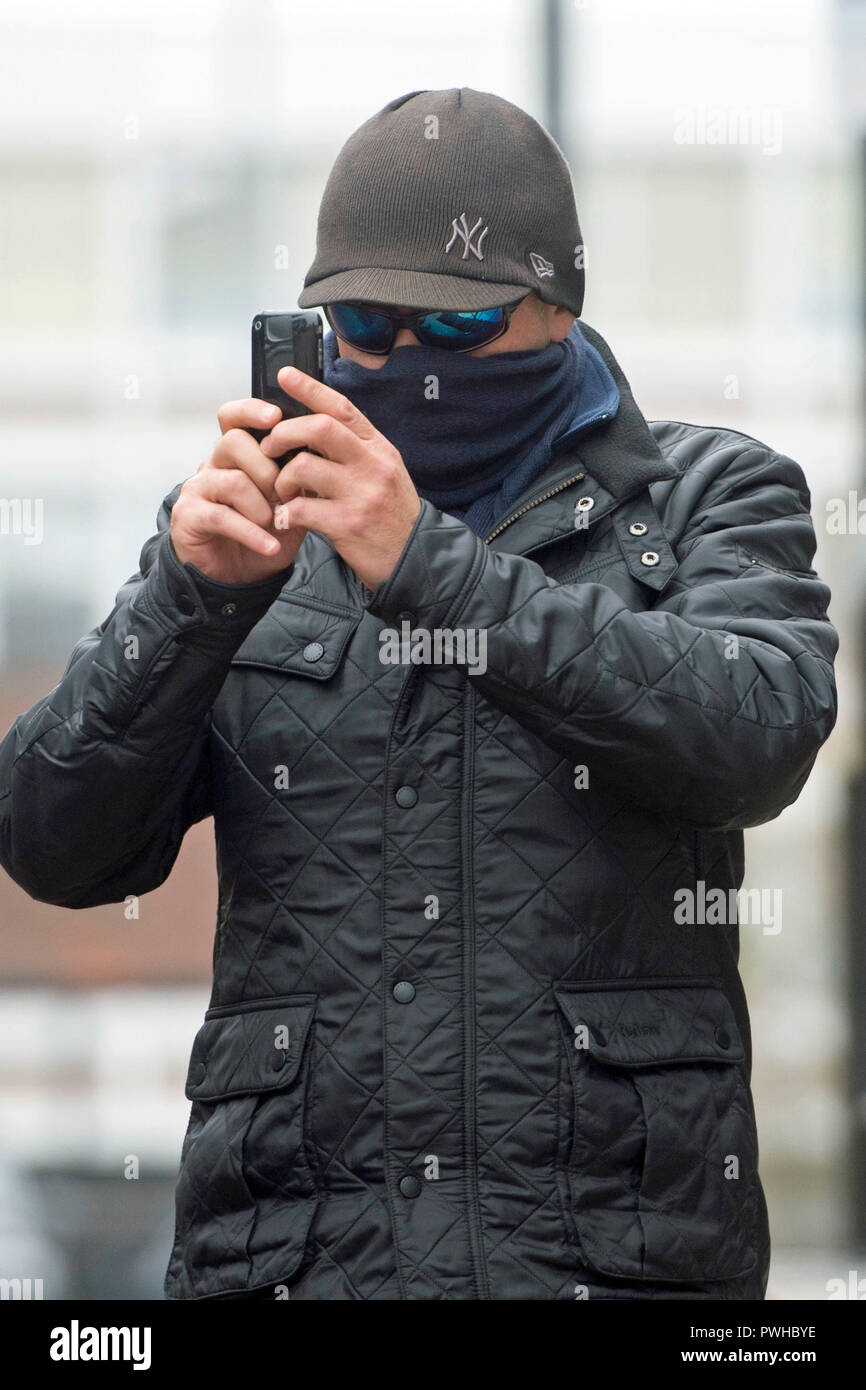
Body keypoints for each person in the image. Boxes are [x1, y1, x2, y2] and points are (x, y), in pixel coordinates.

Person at [0, 88, 838, 1301]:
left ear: (558, 309)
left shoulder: (711, 492)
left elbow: (756, 731)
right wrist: (188, 600)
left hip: (610, 1262)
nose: (406, 364)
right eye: (368, 327)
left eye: (458, 327)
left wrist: (434, 569)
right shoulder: (247, 530)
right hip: (299, 1264)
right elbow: (52, 841)